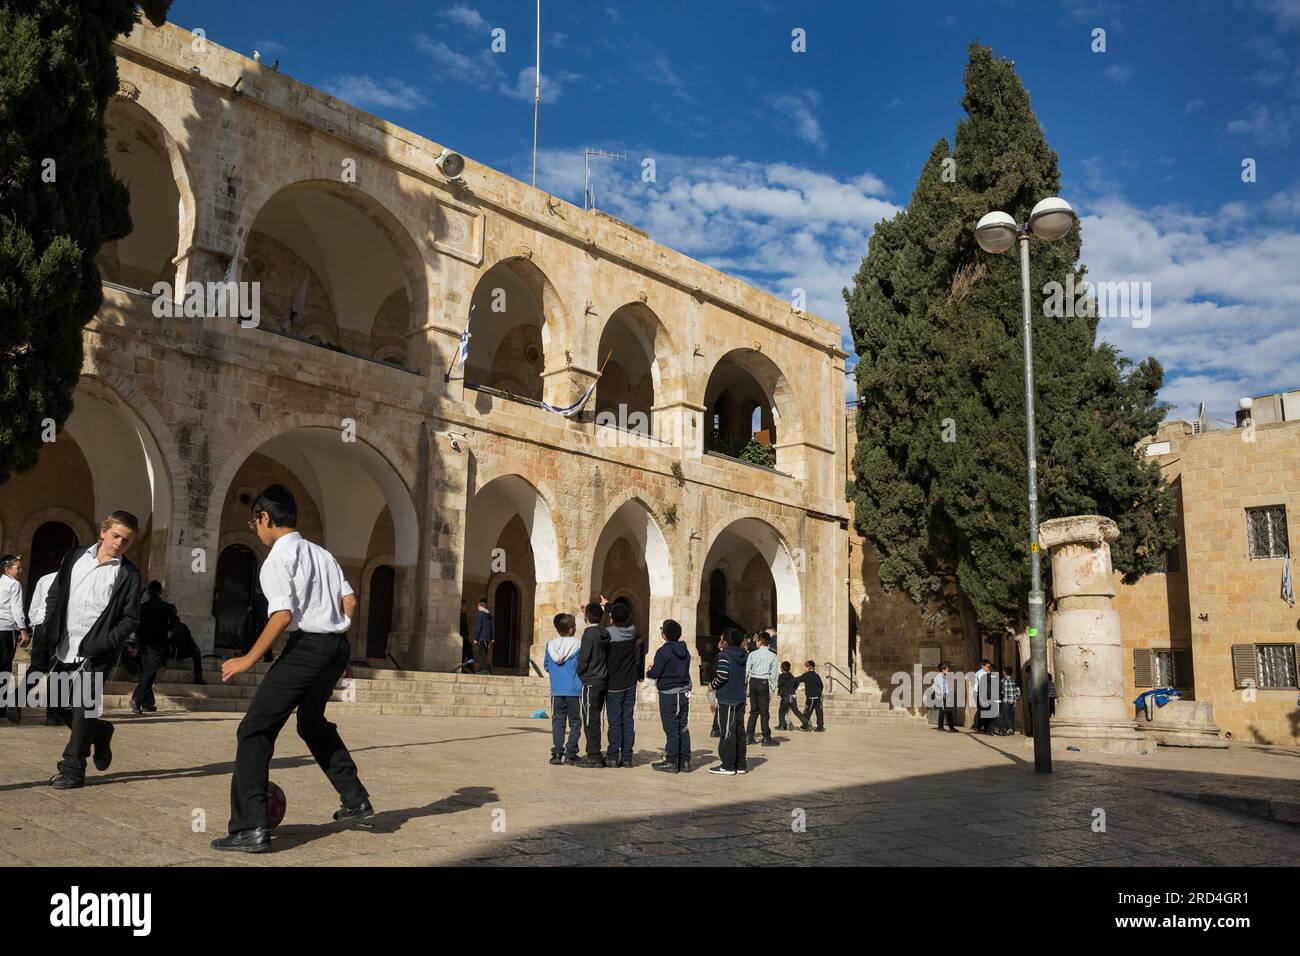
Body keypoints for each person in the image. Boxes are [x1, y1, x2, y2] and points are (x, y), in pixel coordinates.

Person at [213, 485, 371, 853]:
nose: (255, 529)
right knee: (311, 723)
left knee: (254, 730)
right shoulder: (323, 554)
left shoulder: (277, 560)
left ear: (265, 518)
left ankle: (249, 827)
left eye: (255, 522)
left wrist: (247, 659)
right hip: (335, 649)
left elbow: (282, 615)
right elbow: (350, 599)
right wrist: (337, 629)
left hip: (308, 650)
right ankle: (355, 798)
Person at [29, 512, 142, 789]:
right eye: (115, 535)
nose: (119, 543)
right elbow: (56, 592)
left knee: (83, 708)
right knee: (55, 704)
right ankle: (101, 731)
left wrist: (106, 642)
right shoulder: (75, 557)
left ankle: (73, 768)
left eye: (126, 540)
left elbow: (130, 618)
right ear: (103, 531)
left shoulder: (128, 574)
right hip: (64, 644)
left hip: (97, 652)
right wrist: (49, 626)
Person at [647, 619, 692, 773]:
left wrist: (649, 671)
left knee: (671, 728)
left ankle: (672, 761)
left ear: (665, 634)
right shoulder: (685, 651)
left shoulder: (663, 651)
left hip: (669, 694)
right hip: (684, 693)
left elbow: (656, 673)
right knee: (683, 727)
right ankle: (685, 761)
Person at [130, 580, 177, 714]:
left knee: (147, 673)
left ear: (149, 592)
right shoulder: (166, 607)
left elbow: (136, 626)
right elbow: (175, 621)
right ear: (160, 591)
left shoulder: (143, 608)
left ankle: (147, 703)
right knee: (149, 674)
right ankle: (137, 698)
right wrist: (169, 630)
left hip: (143, 646)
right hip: (157, 646)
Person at [603, 602, 641, 768]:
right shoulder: (632, 631)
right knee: (628, 719)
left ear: (612, 619)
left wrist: (608, 609)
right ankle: (627, 757)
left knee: (615, 721)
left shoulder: (608, 634)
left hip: (613, 684)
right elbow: (625, 618)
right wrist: (610, 607)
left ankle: (612, 756)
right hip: (630, 683)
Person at [708, 628, 748, 776]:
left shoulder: (725, 655)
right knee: (739, 732)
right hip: (739, 698)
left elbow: (722, 675)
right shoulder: (742, 654)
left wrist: (712, 685)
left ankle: (728, 765)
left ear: (726, 640)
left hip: (727, 699)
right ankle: (740, 764)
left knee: (727, 732)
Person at [575, 602, 610, 768]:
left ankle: (594, 756)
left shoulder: (588, 634)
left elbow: (583, 659)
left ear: (587, 617)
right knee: (596, 717)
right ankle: (596, 752)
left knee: (590, 719)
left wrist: (580, 672)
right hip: (603, 679)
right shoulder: (605, 634)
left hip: (590, 681)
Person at [545, 613, 582, 766]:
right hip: (574, 689)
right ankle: (571, 754)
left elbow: (547, 665)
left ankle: (557, 753)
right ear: (572, 629)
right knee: (575, 722)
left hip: (557, 690)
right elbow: (581, 665)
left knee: (558, 721)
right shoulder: (578, 645)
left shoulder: (550, 645)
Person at [0, 554, 31, 724]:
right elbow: (17, 609)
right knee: (4, 666)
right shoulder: (14, 584)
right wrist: (23, 630)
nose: (20, 570)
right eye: (17, 567)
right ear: (7, 568)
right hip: (5, 629)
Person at [26, 570, 59, 724]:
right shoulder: (73, 578)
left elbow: (35, 604)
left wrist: (34, 626)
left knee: (37, 666)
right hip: (59, 627)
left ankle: (16, 699)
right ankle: (53, 715)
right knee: (57, 670)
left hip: (40, 624)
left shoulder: (44, 577)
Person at [744, 632, 780, 746]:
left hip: (753, 682)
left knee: (753, 711)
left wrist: (744, 685)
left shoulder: (752, 654)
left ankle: (749, 736)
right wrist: (772, 689)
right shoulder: (773, 656)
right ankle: (766, 737)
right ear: (769, 643)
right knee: (764, 712)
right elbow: (774, 675)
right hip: (763, 683)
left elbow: (746, 671)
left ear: (759, 641)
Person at [169, 616, 206, 684]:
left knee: (196, 652)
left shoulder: (182, 626)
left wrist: (195, 648)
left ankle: (198, 677)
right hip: (169, 652)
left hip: (181, 651)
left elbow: (189, 640)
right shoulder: (165, 626)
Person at [795, 660, 825, 732]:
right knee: (819, 713)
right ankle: (820, 727)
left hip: (811, 698)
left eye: (805, 667)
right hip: (818, 697)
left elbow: (797, 679)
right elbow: (821, 685)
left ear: (809, 667)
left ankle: (806, 725)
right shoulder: (817, 676)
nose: (804, 669)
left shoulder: (806, 675)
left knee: (806, 712)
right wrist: (819, 694)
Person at [972, 659, 996, 734]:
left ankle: (983, 728)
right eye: (987, 666)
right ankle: (985, 728)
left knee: (984, 711)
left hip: (987, 694)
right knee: (984, 711)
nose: (988, 668)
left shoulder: (988, 672)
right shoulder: (980, 673)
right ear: (982, 666)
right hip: (981, 693)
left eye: (989, 667)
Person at [933, 661, 958, 732]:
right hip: (942, 696)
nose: (948, 670)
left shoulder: (945, 676)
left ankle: (950, 727)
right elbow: (935, 686)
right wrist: (941, 694)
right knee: (943, 711)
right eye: (947, 669)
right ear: (943, 669)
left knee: (948, 711)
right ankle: (941, 727)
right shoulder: (938, 676)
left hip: (946, 695)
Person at [472, 597, 494, 675]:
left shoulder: (480, 615)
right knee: (484, 653)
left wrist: (475, 638)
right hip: (487, 638)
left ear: (479, 605)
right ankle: (482, 669)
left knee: (482, 654)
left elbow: (478, 627)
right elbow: (492, 627)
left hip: (481, 638)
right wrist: (492, 638)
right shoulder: (489, 615)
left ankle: (484, 669)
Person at [776, 661, 800, 731]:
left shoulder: (781, 676)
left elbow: (778, 684)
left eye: (781, 667)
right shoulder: (791, 676)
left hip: (784, 696)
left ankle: (782, 725)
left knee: (782, 711)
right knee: (790, 710)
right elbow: (797, 682)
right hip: (791, 696)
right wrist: (793, 689)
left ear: (782, 669)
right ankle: (788, 723)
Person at [998, 666, 1020, 736]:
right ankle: (1012, 729)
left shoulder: (1003, 681)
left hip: (1005, 701)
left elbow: (1000, 691)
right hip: (1012, 701)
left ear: (1004, 672)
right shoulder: (1014, 681)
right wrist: (1015, 698)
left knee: (1004, 716)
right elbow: (1018, 691)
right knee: (1011, 716)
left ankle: (1008, 729)